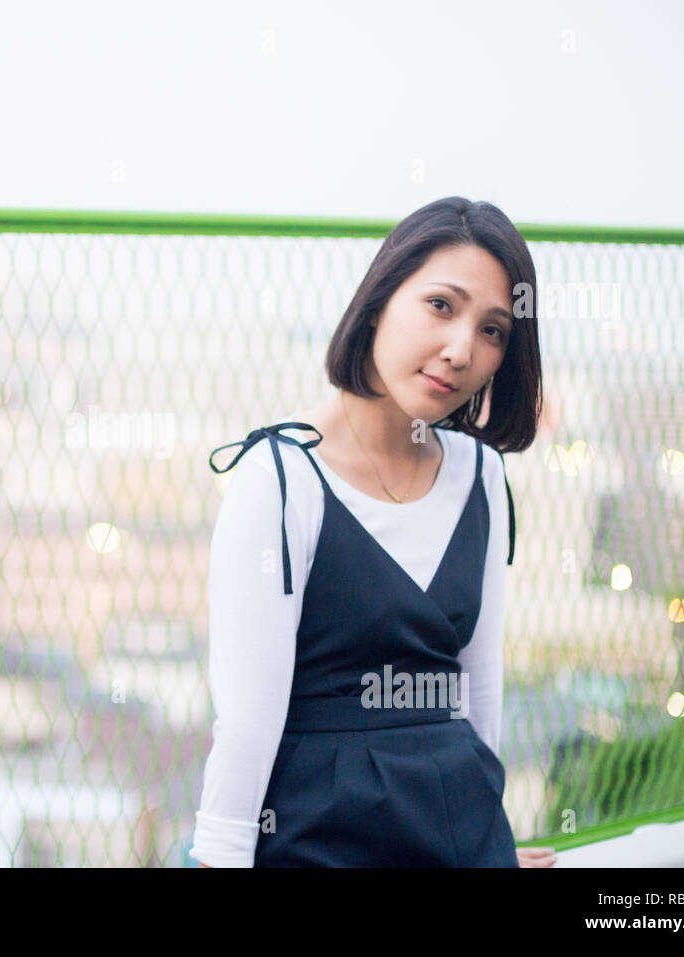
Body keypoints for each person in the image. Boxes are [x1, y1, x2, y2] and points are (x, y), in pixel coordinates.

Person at [191, 196, 556, 868]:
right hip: (319, 841)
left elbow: (477, 694)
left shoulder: (481, 474)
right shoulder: (279, 478)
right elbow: (246, 724)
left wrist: (487, 832)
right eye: (442, 305)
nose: (460, 350)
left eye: (494, 331)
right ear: (381, 297)